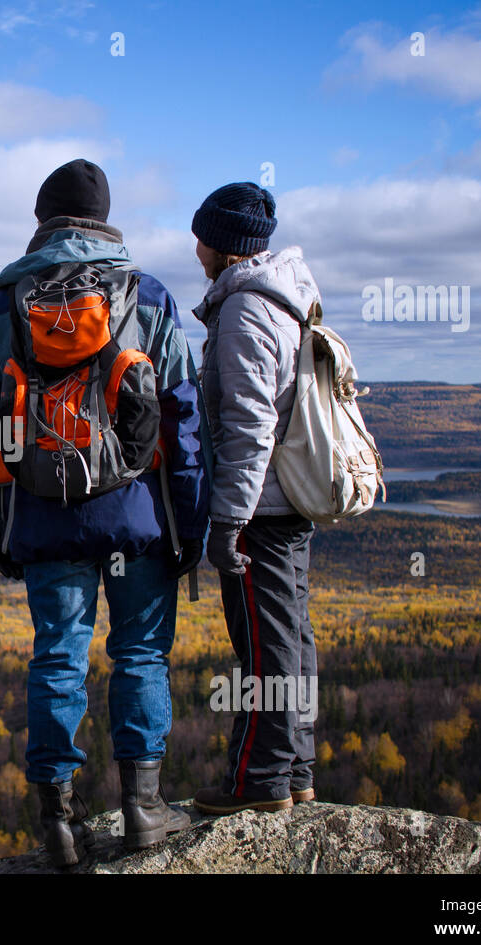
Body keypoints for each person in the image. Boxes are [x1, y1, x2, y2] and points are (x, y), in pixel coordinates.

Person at [0, 159, 210, 866]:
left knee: (58, 658)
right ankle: (141, 808)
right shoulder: (149, 296)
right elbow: (184, 426)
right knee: (139, 652)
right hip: (138, 519)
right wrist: (188, 529)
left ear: (42, 220)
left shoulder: (4, 307)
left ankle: (59, 824)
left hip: (44, 520)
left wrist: (2, 535)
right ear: (105, 219)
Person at [188, 182, 321, 814]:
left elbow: (248, 428)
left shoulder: (244, 312)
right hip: (286, 503)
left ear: (224, 245)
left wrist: (227, 522)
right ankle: (295, 768)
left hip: (259, 513)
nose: (195, 249)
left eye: (202, 238)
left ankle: (260, 782)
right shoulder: (285, 301)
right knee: (292, 637)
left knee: (265, 647)